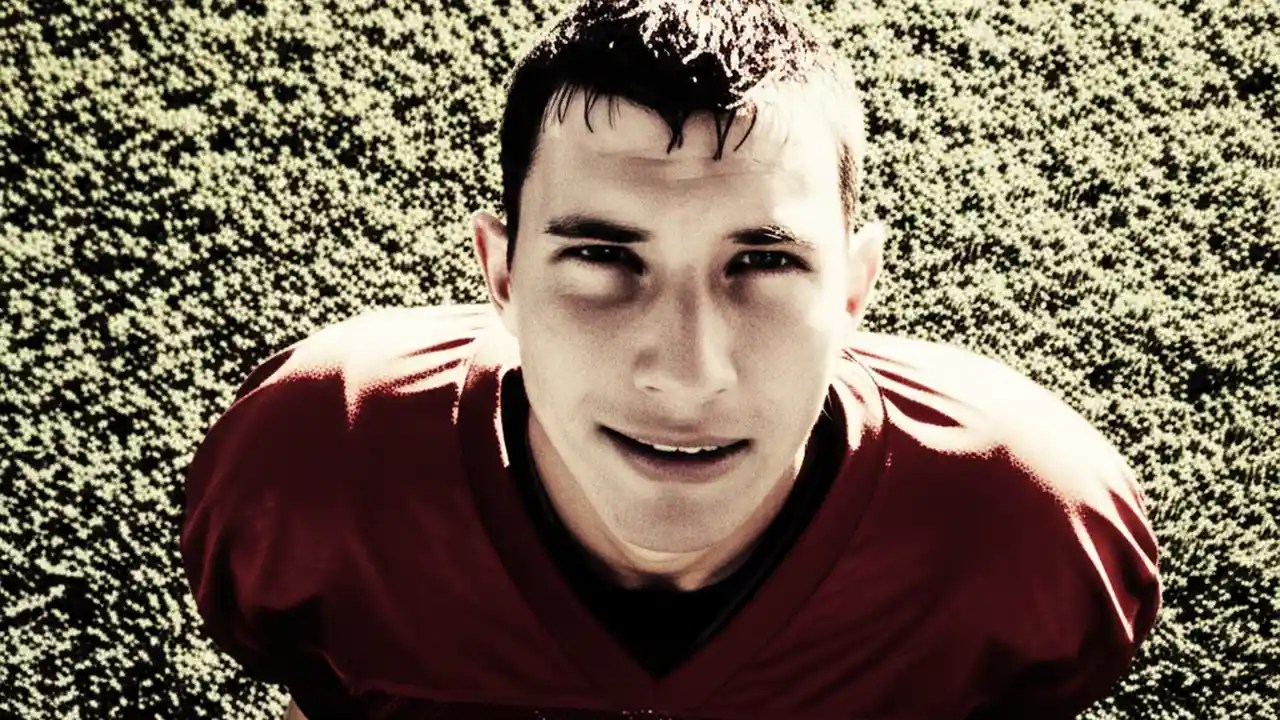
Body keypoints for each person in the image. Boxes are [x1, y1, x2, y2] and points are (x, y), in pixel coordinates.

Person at [180, 1, 1162, 718]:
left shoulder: (1027, 521)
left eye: (764, 260)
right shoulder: (313, 460)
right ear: (502, 273)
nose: (688, 372)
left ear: (854, 289)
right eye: (603, 256)